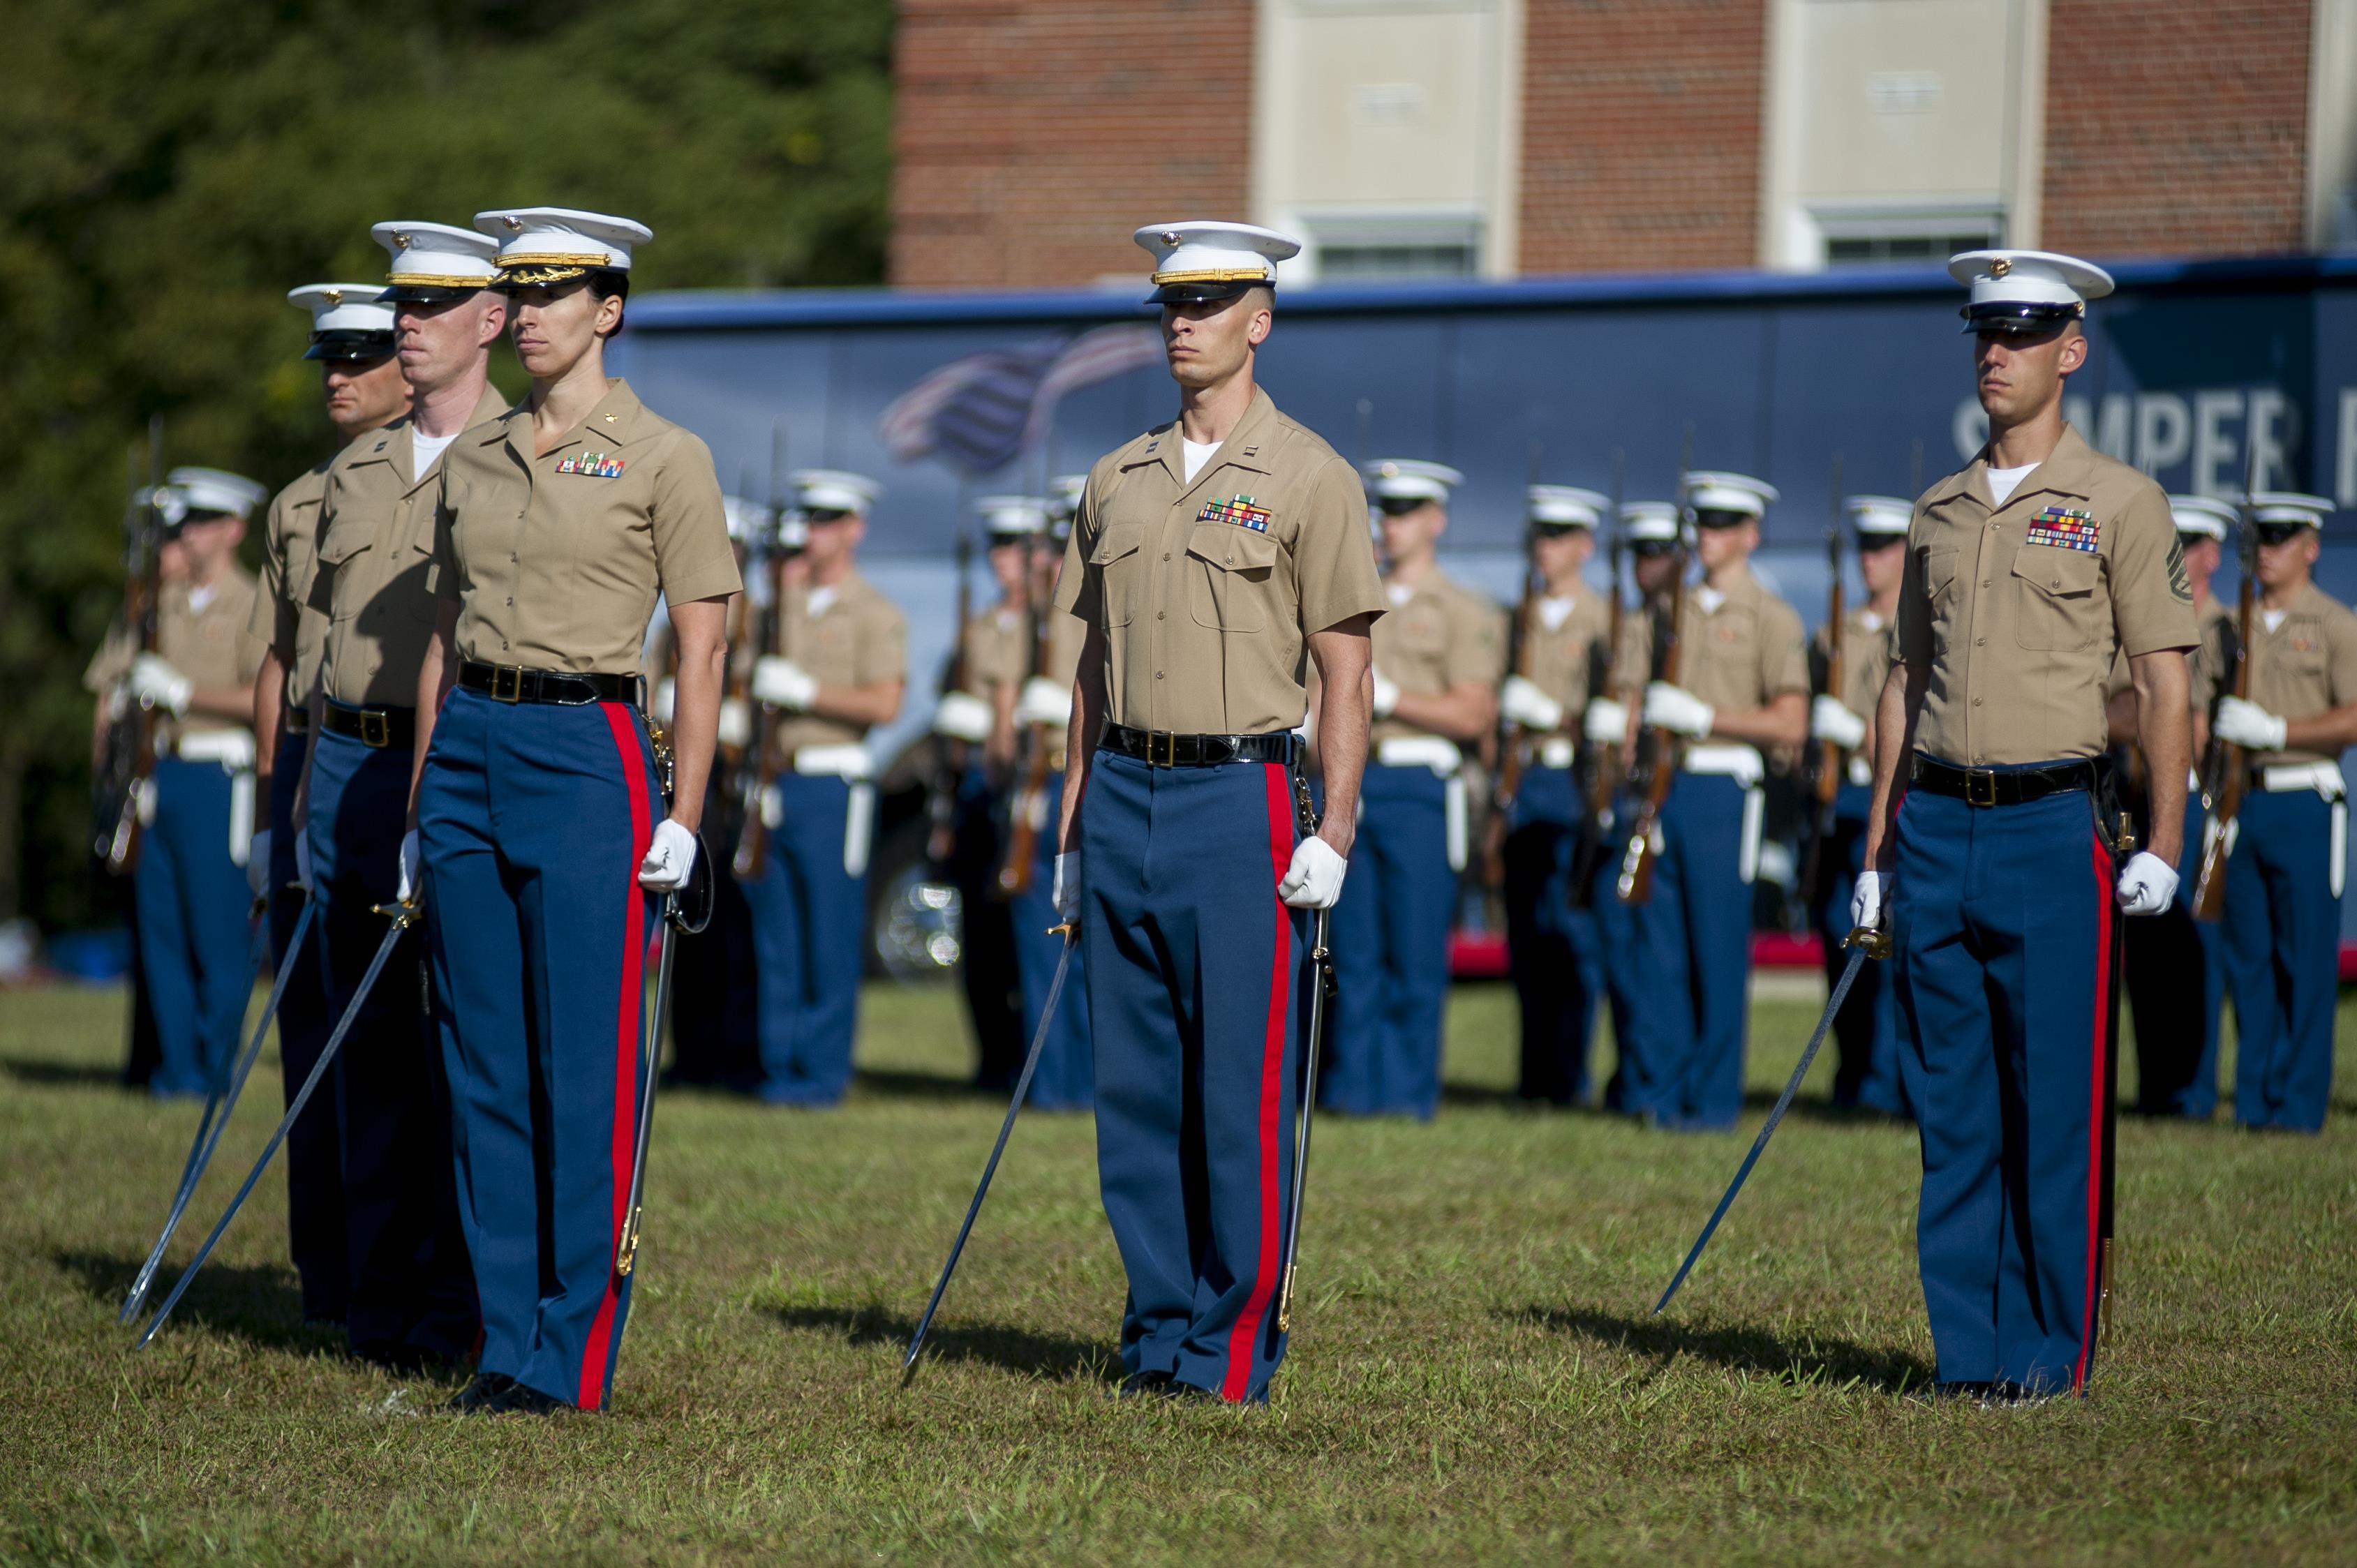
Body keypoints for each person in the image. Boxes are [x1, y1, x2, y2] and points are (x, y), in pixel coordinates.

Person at [408, 207, 740, 1414]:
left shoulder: (665, 455)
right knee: (484, 1061)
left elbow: (702, 651)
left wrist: (684, 811)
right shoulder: (477, 455)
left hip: (588, 744)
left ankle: (572, 1353)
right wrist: (422, 795)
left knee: (582, 1066)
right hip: (472, 749)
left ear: (608, 308)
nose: (527, 312)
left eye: (554, 292)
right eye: (517, 291)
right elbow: (443, 637)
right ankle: (505, 1341)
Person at [1051, 220, 1384, 1403]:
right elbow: (1086, 673)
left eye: (1209, 301)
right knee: (1136, 1088)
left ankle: (1233, 1339)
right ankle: (1157, 1323)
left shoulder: (1309, 476)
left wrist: (1332, 828)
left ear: (1261, 317)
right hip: (1127, 787)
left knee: (1234, 1085)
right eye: (1168, 304)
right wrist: (1071, 831)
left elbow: (1344, 674)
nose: (1181, 321)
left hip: (1241, 795)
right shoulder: (1115, 476)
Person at [1857, 249, 2195, 1400]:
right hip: (1941, 824)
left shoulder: (2119, 503)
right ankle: (1968, 1354)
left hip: (2055, 827)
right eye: (1981, 332)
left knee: (2052, 1104)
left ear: (2071, 348)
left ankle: (2047, 1354)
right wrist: (1874, 851)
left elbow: (2161, 682)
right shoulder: (1938, 508)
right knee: (1951, 1110)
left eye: (2020, 332)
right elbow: (1903, 684)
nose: (1993, 352)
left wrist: (2162, 839)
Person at [300, 218, 511, 1369]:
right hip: (348, 762)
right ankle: (376, 1303)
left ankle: (458, 1299)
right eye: (402, 306)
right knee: (360, 1043)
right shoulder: (359, 468)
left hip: (455, 761)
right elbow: (320, 635)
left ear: (491, 319)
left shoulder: (516, 455)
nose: (407, 326)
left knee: (458, 1044)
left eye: (432, 306)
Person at [248, 281, 410, 1324]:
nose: (340, 379)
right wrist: (274, 811)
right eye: (330, 363)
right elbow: (280, 661)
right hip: (319, 754)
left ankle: (408, 1275)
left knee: (403, 1031)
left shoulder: (462, 475)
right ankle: (331, 1273)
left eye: (361, 358)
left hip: (410, 751)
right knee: (313, 1024)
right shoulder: (300, 503)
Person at [1612, 471, 1808, 1131]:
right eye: (1702, 523)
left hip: (1725, 789)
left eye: (1724, 525)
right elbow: (1633, 699)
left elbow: (1789, 722)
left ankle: (1715, 1099)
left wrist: (1703, 715)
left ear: (1750, 535)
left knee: (1717, 948)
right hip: (1664, 787)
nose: (1709, 536)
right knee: (1660, 950)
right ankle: (1662, 1095)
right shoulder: (1664, 611)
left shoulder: (1771, 617)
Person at [1325, 458, 1501, 1119]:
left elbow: (1474, 713)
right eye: (1384, 510)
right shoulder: (1346, 594)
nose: (1390, 524)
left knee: (1414, 951)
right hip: (1354, 780)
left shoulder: (1460, 608)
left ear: (1436, 519)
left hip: (1418, 787)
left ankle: (1404, 1095)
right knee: (1355, 951)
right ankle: (1352, 1089)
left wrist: (1394, 699)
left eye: (1405, 511)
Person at [87, 468, 267, 1098]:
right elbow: (109, 688)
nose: (186, 535)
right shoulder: (156, 601)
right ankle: (174, 1075)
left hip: (217, 773)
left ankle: (215, 1070)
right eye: (183, 524)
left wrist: (187, 693)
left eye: (200, 523)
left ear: (233, 530)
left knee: (217, 932)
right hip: (158, 773)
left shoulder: (252, 600)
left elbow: (265, 696)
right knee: (160, 931)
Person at [744, 468, 906, 1106]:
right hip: (776, 783)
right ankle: (779, 1066)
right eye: (810, 520)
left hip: (832, 783)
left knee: (828, 935)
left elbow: (886, 703)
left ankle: (821, 1073)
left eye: (828, 521)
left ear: (854, 530)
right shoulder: (777, 608)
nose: (815, 532)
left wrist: (808, 693)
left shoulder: (873, 612)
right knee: (778, 935)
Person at [2208, 492, 2356, 1134]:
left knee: (2303, 958)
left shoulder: (2333, 623)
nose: (2266, 549)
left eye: (2281, 536)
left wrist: (2275, 729)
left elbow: (2353, 714)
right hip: (2247, 800)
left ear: (2311, 545)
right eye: (2259, 537)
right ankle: (2254, 1099)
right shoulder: (2232, 626)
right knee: (2250, 958)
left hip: (2303, 795)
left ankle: (2298, 1105)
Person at [1495, 484, 1616, 1105]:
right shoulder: (1514, 617)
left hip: (1574, 785)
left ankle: (1569, 1075)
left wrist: (1553, 714)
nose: (1545, 547)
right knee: (1526, 937)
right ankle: (1531, 1076)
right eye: (1539, 535)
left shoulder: (1601, 620)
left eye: (1558, 536)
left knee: (1571, 936)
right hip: (1524, 785)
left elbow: (1609, 714)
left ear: (1584, 545)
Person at [2118, 494, 2236, 1117]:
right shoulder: (2137, 621)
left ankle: (2191, 1089)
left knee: (2194, 947)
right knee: (2147, 958)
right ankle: (2155, 1084)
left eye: (2187, 543)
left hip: (2198, 796)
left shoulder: (2221, 628)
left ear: (2211, 552)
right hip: (2136, 793)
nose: (2177, 555)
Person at [656, 495, 768, 1090]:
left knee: (738, 931)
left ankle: (737, 1050)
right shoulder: (677, 617)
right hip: (694, 782)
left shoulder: (765, 624)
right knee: (688, 923)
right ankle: (691, 1049)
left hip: (740, 792)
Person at [1810, 493, 1913, 1117]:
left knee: (1890, 951)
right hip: (1840, 802)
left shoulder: (1918, 628)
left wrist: (1851, 730)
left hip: (1894, 800)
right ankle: (1853, 1078)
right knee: (1838, 940)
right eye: (1863, 547)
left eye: (1882, 547)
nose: (1869, 559)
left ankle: (1888, 1084)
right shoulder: (1834, 633)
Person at [935, 498, 1031, 1091]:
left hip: (1026, 784)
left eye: (1014, 547)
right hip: (979, 788)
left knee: (1028, 934)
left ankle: (1029, 1059)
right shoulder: (979, 628)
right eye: (997, 546)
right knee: (981, 936)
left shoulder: (1055, 624)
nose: (1003, 559)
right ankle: (991, 1057)